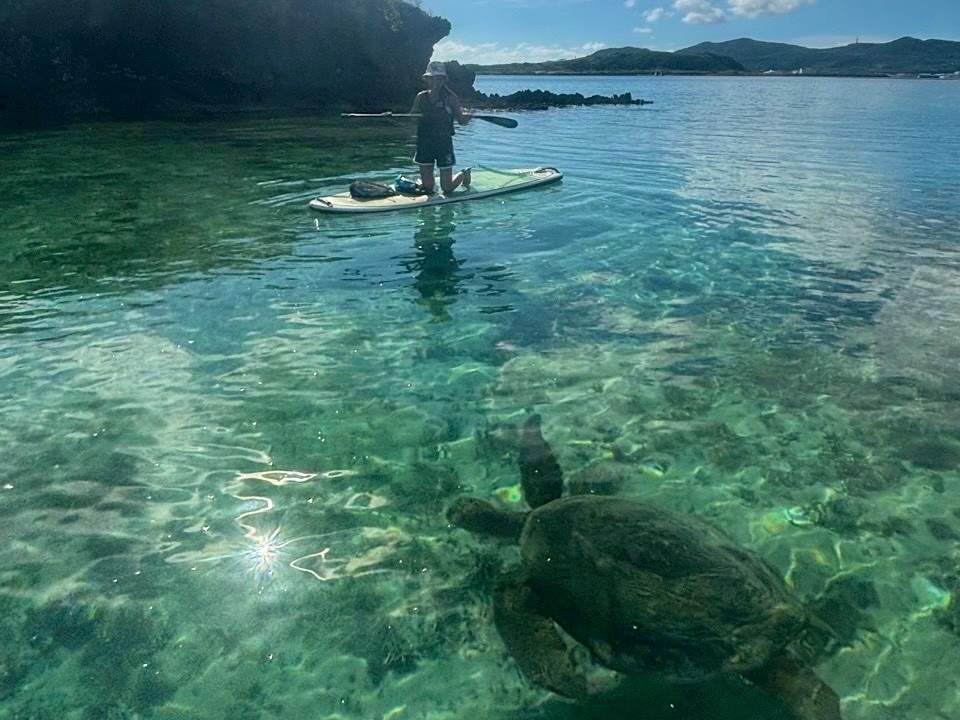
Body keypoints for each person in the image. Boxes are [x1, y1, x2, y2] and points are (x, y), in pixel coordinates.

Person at [410, 61, 472, 195]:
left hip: (443, 144)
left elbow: (461, 122)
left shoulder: (450, 98)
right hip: (424, 144)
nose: (435, 81)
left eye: (439, 78)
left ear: (444, 79)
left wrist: (467, 117)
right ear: (427, 79)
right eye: (432, 78)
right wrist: (390, 116)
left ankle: (464, 173)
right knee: (428, 188)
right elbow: (411, 117)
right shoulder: (421, 97)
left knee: (447, 189)